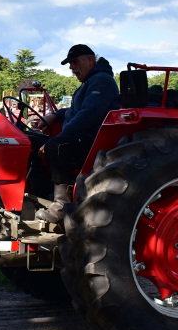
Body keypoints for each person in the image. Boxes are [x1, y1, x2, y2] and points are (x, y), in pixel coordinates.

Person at [32, 44, 121, 223]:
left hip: (92, 140)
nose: (72, 67)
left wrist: (60, 137)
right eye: (70, 64)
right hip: (82, 136)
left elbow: (89, 114)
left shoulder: (101, 81)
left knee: (55, 146)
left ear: (90, 60)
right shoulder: (90, 81)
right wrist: (55, 115)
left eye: (75, 62)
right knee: (31, 141)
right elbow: (76, 110)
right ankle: (36, 197)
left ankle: (61, 205)